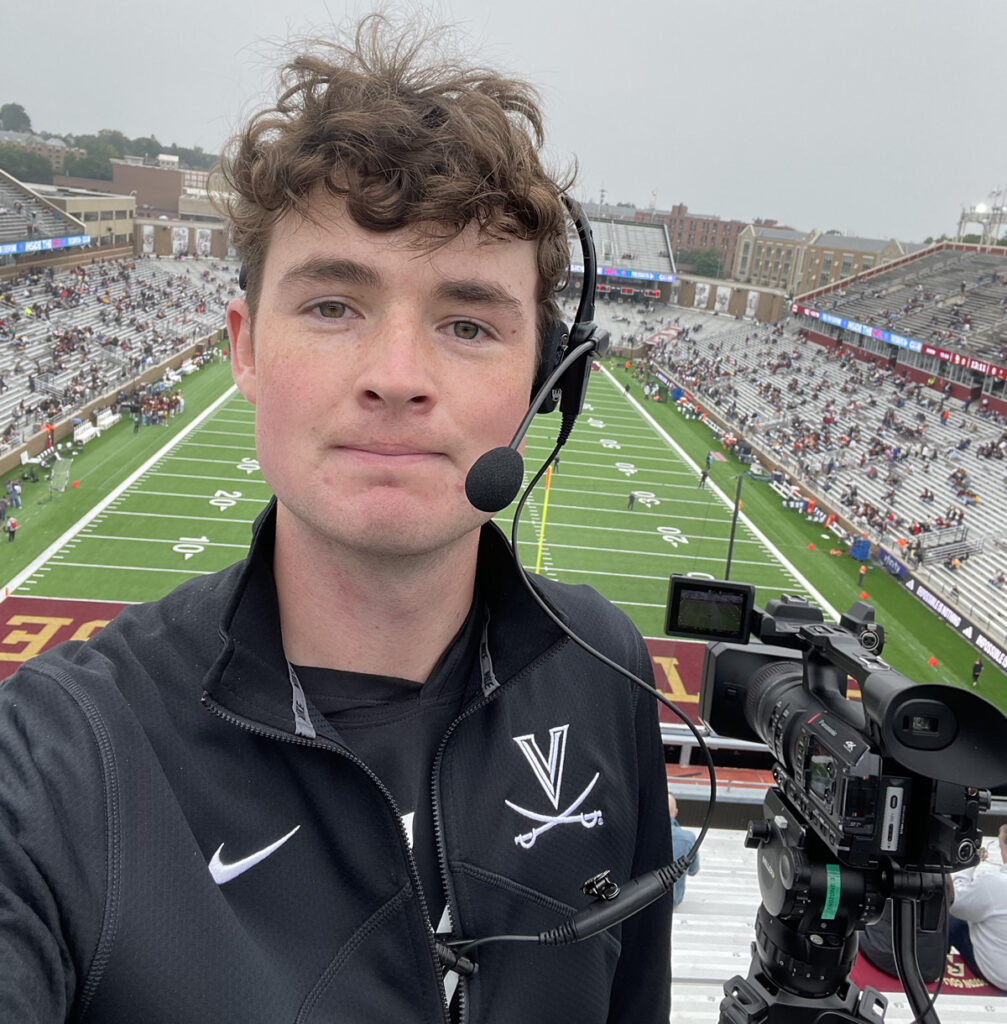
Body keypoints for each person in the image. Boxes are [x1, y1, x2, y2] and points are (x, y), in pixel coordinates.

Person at [0, 16, 671, 1024]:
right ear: (244, 348)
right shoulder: (57, 759)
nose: (395, 379)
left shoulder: (603, 666)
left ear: (546, 385)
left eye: (466, 323)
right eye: (331, 306)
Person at [946, 823, 1007, 989]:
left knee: (950, 917)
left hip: (1000, 976)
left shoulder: (991, 883)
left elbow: (953, 898)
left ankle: (932, 962)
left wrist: (970, 864)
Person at [668, 794, 699, 907]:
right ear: (675, 812)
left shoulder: (640, 835)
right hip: (673, 901)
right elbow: (693, 870)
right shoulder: (688, 838)